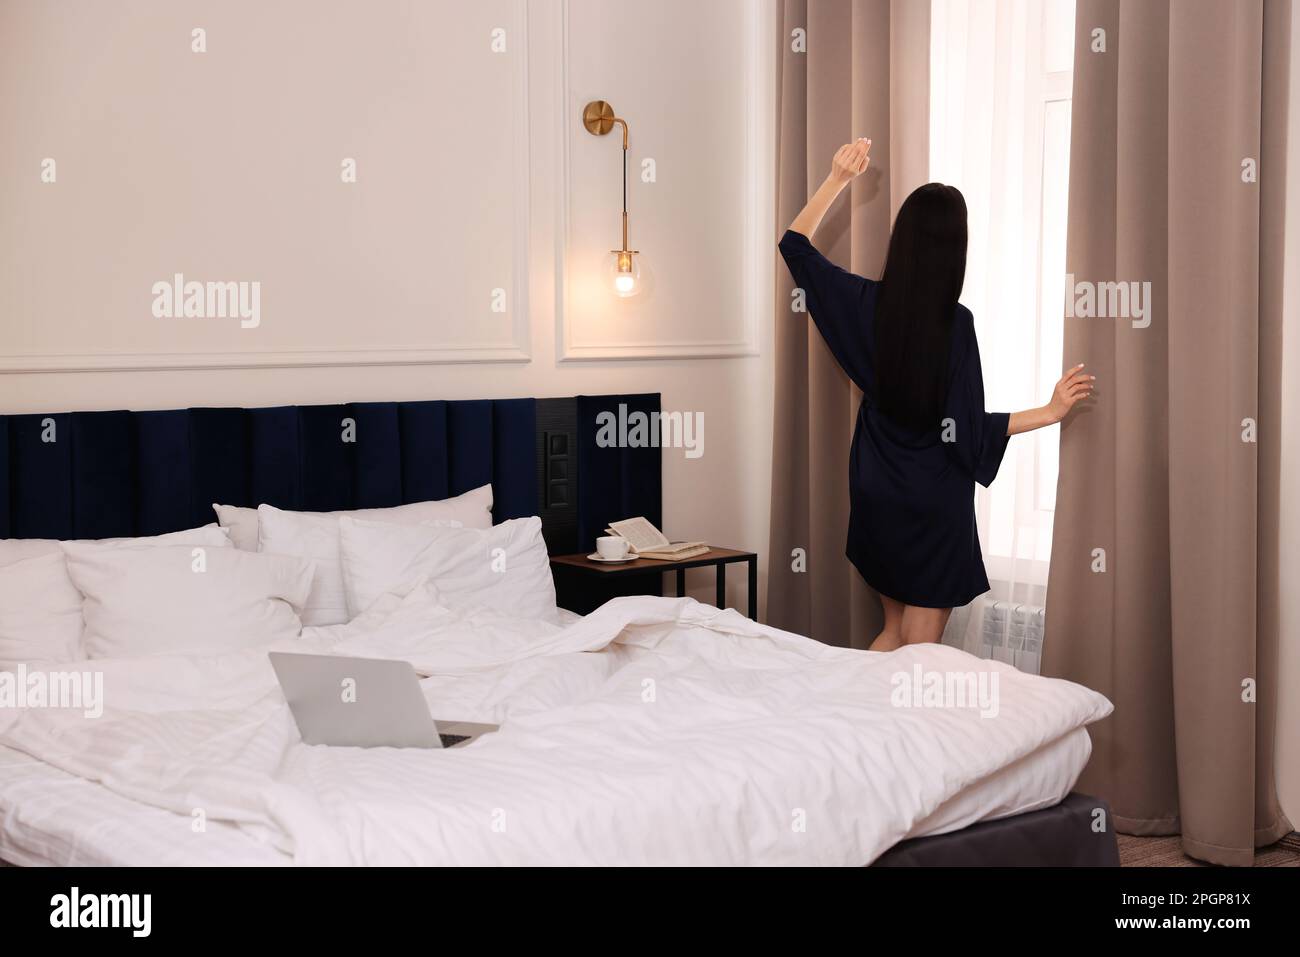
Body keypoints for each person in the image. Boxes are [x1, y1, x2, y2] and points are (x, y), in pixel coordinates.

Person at [779, 138, 1094, 650]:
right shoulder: (955, 325)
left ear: (901, 239)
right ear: (956, 250)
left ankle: (860, 729)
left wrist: (837, 178)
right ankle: (896, 733)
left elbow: (795, 245)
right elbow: (966, 431)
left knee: (893, 632)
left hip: (876, 490)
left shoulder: (865, 304)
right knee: (921, 652)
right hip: (931, 502)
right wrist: (1051, 411)